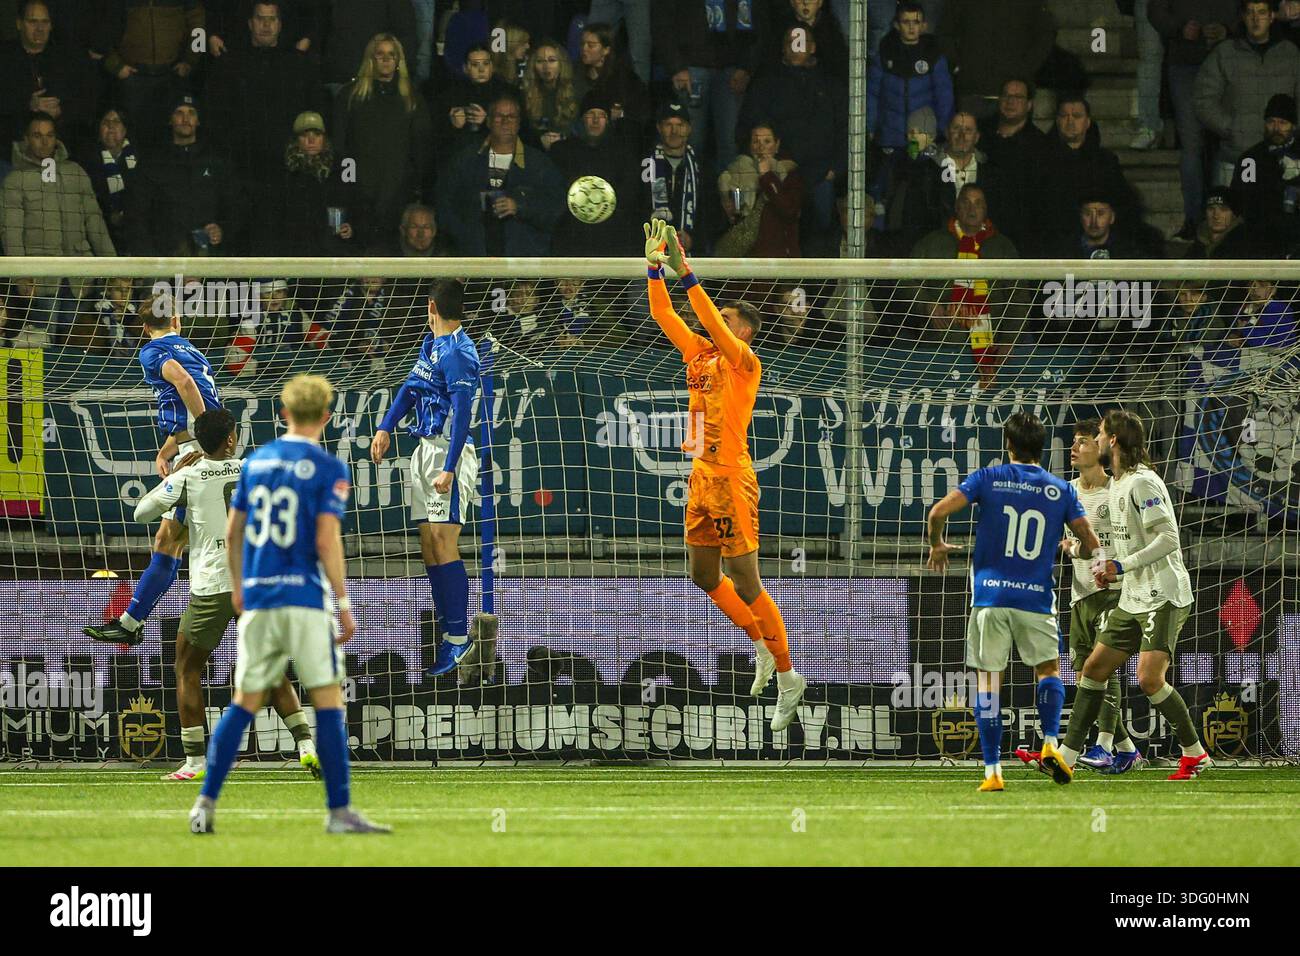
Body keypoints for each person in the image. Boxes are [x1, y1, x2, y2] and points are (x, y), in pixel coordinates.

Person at [191, 374, 389, 835]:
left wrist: (240, 586)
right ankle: (339, 812)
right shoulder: (327, 469)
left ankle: (204, 805)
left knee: (243, 703)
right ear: (325, 416)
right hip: (302, 598)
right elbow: (326, 539)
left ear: (282, 413)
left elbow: (231, 534)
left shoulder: (254, 464)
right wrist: (342, 601)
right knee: (327, 703)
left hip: (259, 597)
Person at [644, 217, 807, 732]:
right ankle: (759, 644)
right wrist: (653, 267)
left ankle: (788, 676)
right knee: (702, 574)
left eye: (726, 316)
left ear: (741, 330)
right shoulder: (698, 353)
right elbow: (662, 311)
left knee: (747, 579)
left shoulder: (744, 361)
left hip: (732, 477)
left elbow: (708, 318)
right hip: (700, 475)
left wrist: (685, 269)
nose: (717, 321)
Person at [132, 408, 321, 782]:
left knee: (186, 667)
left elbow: (141, 513)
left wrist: (180, 479)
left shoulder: (188, 475)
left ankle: (195, 761)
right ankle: (305, 744)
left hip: (212, 585)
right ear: (231, 439)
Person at [926, 412, 1100, 791]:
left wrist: (937, 545)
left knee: (988, 681)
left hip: (990, 597)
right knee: (1048, 670)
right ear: (1042, 447)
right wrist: (1078, 552)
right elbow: (1091, 543)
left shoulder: (989, 478)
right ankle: (1051, 743)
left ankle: (992, 772)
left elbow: (937, 511)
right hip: (1036, 597)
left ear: (1008, 445)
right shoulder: (1061, 490)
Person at [1042, 409, 1210, 784]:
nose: (1096, 440)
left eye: (1099, 434)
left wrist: (1122, 565)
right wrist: (1102, 563)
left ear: (1113, 441)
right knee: (1094, 669)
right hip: (1132, 597)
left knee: (1149, 679)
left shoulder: (1142, 483)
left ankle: (1194, 753)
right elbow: (1120, 541)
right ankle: (1065, 757)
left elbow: (1168, 539)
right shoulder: (1116, 484)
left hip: (1163, 594)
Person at [83, 298, 221, 646]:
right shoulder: (191, 347)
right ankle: (131, 622)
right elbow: (187, 405)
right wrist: (167, 448)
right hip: (199, 445)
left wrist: (202, 436)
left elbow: (185, 384)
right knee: (171, 541)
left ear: (145, 328)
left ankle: (134, 623)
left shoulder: (151, 350)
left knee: (176, 542)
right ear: (177, 319)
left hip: (200, 452)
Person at [1016, 419, 1145, 776]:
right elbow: (1068, 543)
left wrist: (1081, 549)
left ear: (1100, 450)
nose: (1074, 447)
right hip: (1081, 595)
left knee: (1104, 669)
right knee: (1087, 674)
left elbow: (1119, 544)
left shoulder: (1117, 490)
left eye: (1084, 441)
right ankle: (1126, 748)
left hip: (1116, 593)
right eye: (1073, 442)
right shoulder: (1067, 491)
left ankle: (1102, 744)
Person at [368, 280, 483, 677]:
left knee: (443, 541)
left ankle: (457, 639)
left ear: (430, 305)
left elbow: (465, 414)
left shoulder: (459, 354)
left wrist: (450, 466)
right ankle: (449, 628)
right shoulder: (431, 345)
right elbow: (410, 388)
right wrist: (385, 427)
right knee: (428, 545)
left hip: (448, 451)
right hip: (424, 450)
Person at [910, 183, 1019, 387]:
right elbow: (905, 281)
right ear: (957, 207)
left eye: (978, 203)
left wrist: (1009, 338)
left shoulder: (1002, 246)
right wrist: (928, 305)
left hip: (993, 343)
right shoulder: (932, 243)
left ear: (985, 209)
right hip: (940, 342)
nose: (972, 209)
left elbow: (1019, 297)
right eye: (966, 203)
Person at [203, 1, 323, 184]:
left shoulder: (297, 66)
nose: (266, 25)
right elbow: (217, 115)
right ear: (250, 23)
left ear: (280, 24)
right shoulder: (229, 65)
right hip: (240, 162)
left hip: (285, 163)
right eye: (260, 19)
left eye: (272, 19)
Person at [334, 34, 434, 249]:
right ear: (371, 58)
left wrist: (412, 186)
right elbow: (342, 149)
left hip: (398, 195)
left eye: (392, 54)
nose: (386, 59)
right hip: (359, 195)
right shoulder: (350, 96)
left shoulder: (413, 99)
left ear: (399, 60)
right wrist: (348, 187)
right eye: (380, 54)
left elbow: (421, 150)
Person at [1149, 0, 1237, 239]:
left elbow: (1250, 11)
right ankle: (1194, 219)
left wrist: (1228, 29)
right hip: (1185, 61)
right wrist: (1180, 28)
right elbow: (1155, 10)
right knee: (1191, 146)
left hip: (1227, 61)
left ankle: (1226, 218)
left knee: (1227, 141)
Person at [436, 94, 565, 256]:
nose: (505, 121)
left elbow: (556, 208)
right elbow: (444, 204)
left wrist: (520, 206)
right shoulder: (465, 160)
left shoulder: (538, 163)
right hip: (474, 262)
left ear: (519, 123)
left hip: (522, 264)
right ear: (488, 121)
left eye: (511, 116)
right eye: (499, 116)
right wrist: (465, 237)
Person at [652, 0, 772, 172]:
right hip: (692, 66)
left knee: (730, 143)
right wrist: (676, 66)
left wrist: (747, 66)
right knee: (691, 141)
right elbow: (662, 20)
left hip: (732, 68)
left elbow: (759, 20)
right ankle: (688, 194)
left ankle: (729, 196)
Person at [1194, 0, 1300, 189]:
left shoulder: (1290, 54)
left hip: (1284, 158)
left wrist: (1292, 133)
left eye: (1261, 12)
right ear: (1243, 17)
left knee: (1280, 216)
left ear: (1271, 16)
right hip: (1237, 156)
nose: (1255, 19)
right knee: (1236, 213)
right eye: (1250, 12)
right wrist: (1230, 127)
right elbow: (1204, 99)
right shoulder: (1225, 53)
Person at [126, 95, 243, 257]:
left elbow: (235, 206)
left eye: (191, 113)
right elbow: (137, 214)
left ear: (198, 120)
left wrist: (222, 228)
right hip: (164, 258)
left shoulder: (218, 160)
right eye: (179, 113)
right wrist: (149, 257)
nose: (185, 118)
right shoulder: (152, 162)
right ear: (170, 120)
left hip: (211, 260)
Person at [100, 0, 205, 148]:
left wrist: (191, 60)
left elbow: (198, 26)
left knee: (170, 137)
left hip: (172, 74)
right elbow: (100, 28)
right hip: (131, 77)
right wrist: (116, 66)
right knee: (132, 138)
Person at [549, 89, 643, 255]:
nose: (595, 120)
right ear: (582, 119)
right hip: (572, 236)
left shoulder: (623, 154)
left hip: (611, 238)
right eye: (590, 114)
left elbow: (630, 194)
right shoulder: (562, 152)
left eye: (601, 115)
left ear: (608, 120)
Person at [0, 1, 93, 152]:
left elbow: (88, 101)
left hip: (63, 147)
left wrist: (62, 110)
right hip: (12, 147)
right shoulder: (4, 58)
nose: (40, 28)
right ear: (19, 24)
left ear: (51, 25)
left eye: (45, 22)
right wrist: (27, 105)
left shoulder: (70, 58)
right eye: (32, 22)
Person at [867, 2, 954, 154]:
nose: (912, 27)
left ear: (924, 26)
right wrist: (870, 126)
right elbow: (872, 93)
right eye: (906, 22)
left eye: (916, 22)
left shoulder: (934, 55)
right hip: (890, 136)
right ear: (896, 25)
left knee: (923, 176)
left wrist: (942, 129)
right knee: (888, 176)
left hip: (924, 136)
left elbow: (944, 95)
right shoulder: (885, 52)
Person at [715, 121, 803, 257]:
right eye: (756, 142)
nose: (761, 147)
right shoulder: (739, 172)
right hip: (748, 257)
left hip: (781, 258)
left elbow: (789, 210)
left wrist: (767, 177)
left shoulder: (790, 176)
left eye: (767, 141)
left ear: (777, 145)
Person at [1232, 93, 1300, 250]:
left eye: (1283, 123)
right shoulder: (1250, 159)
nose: (1276, 128)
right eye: (1271, 122)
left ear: (1293, 126)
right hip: (1263, 240)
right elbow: (1242, 201)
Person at [432, 43, 515, 162]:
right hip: (462, 160)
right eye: (475, 65)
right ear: (465, 68)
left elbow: (517, 131)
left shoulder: (506, 94)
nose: (481, 69)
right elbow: (436, 133)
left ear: (491, 67)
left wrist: (487, 121)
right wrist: (453, 125)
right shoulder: (452, 94)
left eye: (485, 64)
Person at [648, 102, 704, 255]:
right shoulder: (646, 165)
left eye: (680, 125)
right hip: (650, 258)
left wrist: (693, 240)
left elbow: (710, 216)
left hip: (692, 261)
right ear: (659, 128)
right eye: (668, 125)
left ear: (689, 129)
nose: (674, 131)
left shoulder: (702, 167)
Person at [81, 108, 138, 252]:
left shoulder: (139, 159)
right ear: (99, 130)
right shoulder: (86, 162)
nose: (111, 126)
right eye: (106, 122)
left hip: (135, 229)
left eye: (117, 122)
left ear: (125, 130)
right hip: (100, 231)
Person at [520, 39, 580, 151]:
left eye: (552, 60)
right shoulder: (525, 95)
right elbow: (523, 134)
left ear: (561, 63)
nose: (546, 66)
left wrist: (563, 139)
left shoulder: (575, 92)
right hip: (538, 153)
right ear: (533, 65)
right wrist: (539, 140)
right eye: (540, 61)